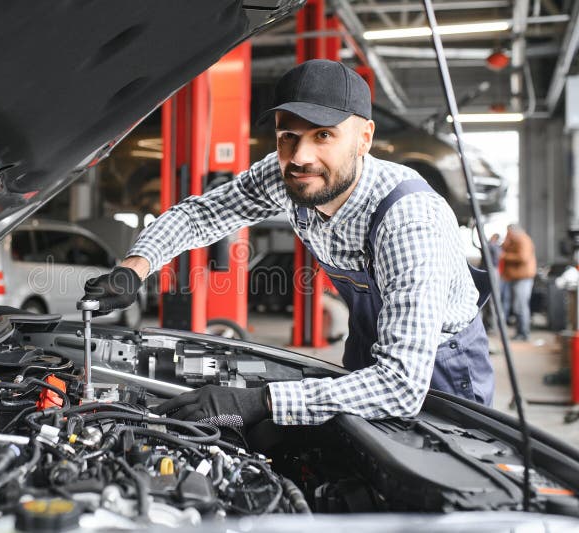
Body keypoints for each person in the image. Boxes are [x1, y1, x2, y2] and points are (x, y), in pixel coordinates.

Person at [83, 60, 494, 432]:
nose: (301, 157)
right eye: (287, 136)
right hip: (369, 342)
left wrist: (262, 400)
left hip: (441, 365)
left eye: (324, 136)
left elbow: (402, 384)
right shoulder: (284, 175)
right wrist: (133, 269)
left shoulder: (407, 221)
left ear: (364, 138)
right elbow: (201, 215)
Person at [501, 224, 536, 341]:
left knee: (520, 306)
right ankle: (520, 332)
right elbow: (503, 247)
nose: (508, 235)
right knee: (517, 306)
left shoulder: (523, 240)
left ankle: (524, 333)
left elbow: (523, 257)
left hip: (523, 278)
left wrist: (505, 256)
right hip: (516, 278)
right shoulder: (514, 241)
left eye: (508, 232)